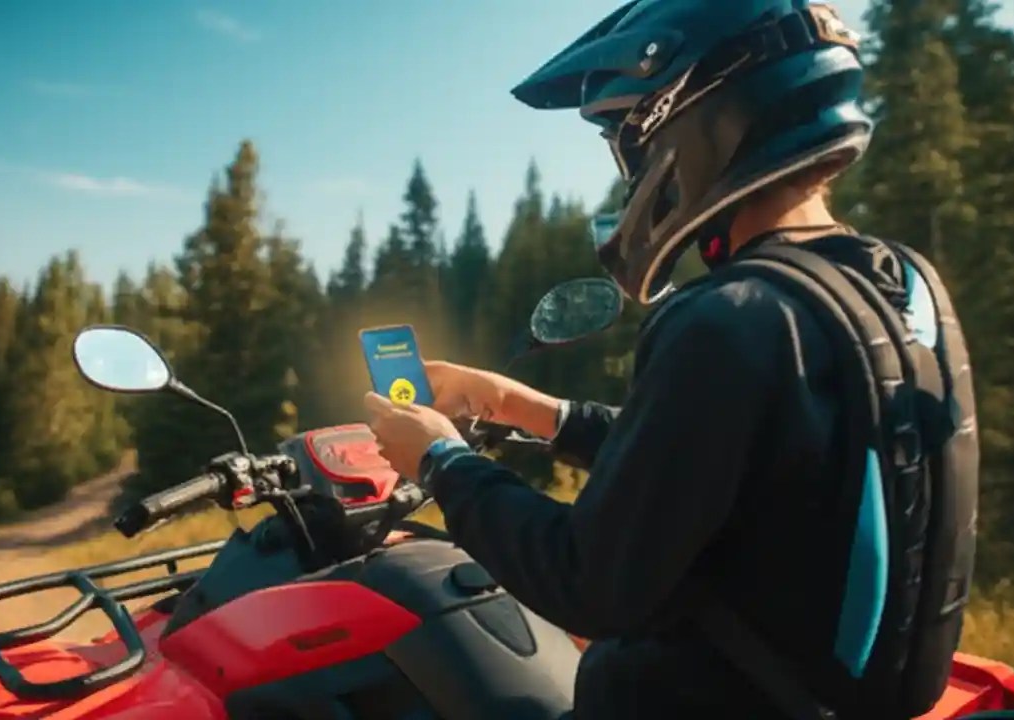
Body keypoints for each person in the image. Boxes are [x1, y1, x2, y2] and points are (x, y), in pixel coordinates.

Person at [364, 1, 978, 718]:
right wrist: (526, 408)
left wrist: (441, 461)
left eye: (627, 144)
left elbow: (587, 581)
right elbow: (727, 460)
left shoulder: (728, 317)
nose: (629, 173)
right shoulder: (899, 283)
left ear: (689, 123)